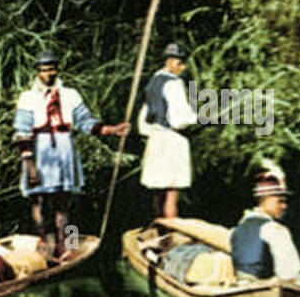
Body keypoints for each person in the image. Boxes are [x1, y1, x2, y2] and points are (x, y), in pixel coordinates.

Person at [13, 50, 129, 261]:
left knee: (64, 201)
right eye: (44, 70)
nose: (48, 74)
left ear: (57, 70)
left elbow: (86, 122)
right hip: (40, 150)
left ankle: (68, 245)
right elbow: (22, 131)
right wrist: (29, 164)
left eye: (51, 69)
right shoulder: (28, 98)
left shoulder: (70, 95)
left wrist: (111, 130)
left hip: (64, 148)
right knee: (39, 200)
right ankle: (47, 245)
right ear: (38, 72)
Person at [229, 160, 300, 288]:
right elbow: (289, 275)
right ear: (266, 199)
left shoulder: (238, 229)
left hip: (241, 286)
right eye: (280, 201)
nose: (284, 206)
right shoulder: (275, 230)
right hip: (266, 290)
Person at [138, 41, 197, 219]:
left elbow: (143, 119)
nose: (182, 67)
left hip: (155, 139)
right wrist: (196, 118)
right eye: (180, 63)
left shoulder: (153, 83)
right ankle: (170, 236)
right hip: (172, 141)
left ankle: (158, 231)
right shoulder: (174, 84)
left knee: (158, 191)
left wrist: (151, 131)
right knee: (171, 192)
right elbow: (179, 120)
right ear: (170, 61)